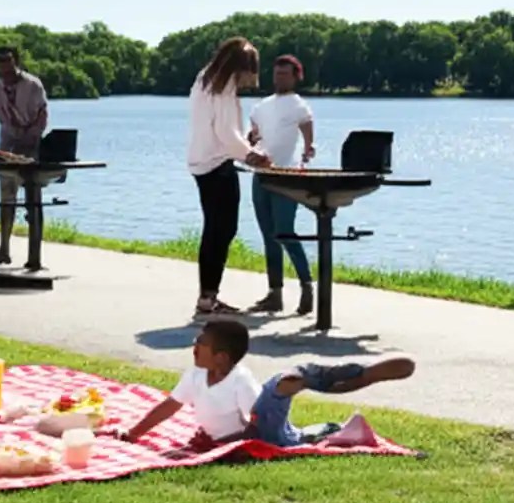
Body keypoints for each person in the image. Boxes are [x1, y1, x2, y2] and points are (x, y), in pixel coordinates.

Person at [117, 319, 415, 447]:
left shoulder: (239, 380)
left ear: (221, 358)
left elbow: (255, 425)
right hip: (269, 433)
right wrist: (133, 433)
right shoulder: (195, 374)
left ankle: (357, 373)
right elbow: (168, 407)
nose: (193, 346)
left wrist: (227, 444)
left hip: (262, 434)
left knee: (284, 384)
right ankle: (343, 429)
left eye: (201, 343)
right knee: (305, 433)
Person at [187, 37, 269, 316]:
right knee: (221, 231)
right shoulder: (222, 86)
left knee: (216, 230)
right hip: (217, 163)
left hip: (204, 160)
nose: (250, 79)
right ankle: (208, 299)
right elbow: (225, 134)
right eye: (249, 71)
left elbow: (222, 129)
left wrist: (246, 141)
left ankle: (207, 297)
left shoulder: (205, 80)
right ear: (240, 67)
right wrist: (251, 155)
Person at [247, 55, 317, 315]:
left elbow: (309, 137)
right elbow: (252, 137)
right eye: (277, 74)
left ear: (296, 76)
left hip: (287, 177)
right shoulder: (261, 107)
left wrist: (309, 150)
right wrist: (250, 146)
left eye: (285, 74)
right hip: (261, 175)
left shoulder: (300, 107)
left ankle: (307, 286)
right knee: (268, 236)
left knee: (285, 232)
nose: (279, 78)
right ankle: (274, 294)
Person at [0, 46, 49, 266]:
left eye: (7, 61)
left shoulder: (33, 85)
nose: (4, 67)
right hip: (7, 144)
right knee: (7, 197)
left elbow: (43, 115)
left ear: (16, 61)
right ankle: (4, 250)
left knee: (33, 198)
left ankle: (34, 257)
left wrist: (32, 137)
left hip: (31, 144)